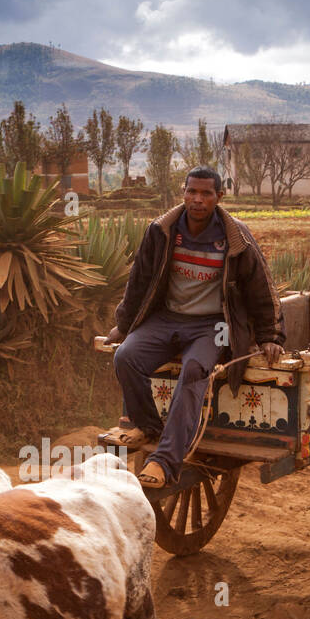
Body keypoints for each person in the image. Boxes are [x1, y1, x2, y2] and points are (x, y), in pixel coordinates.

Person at [104, 166, 283, 487]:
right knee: (125, 357)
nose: (197, 200)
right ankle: (148, 426)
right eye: (192, 192)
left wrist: (270, 335)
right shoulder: (162, 231)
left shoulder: (235, 237)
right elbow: (139, 281)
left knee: (194, 370)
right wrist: (124, 324)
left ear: (219, 197)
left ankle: (165, 460)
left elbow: (261, 287)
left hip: (211, 325)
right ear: (183, 193)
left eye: (206, 194)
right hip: (166, 318)